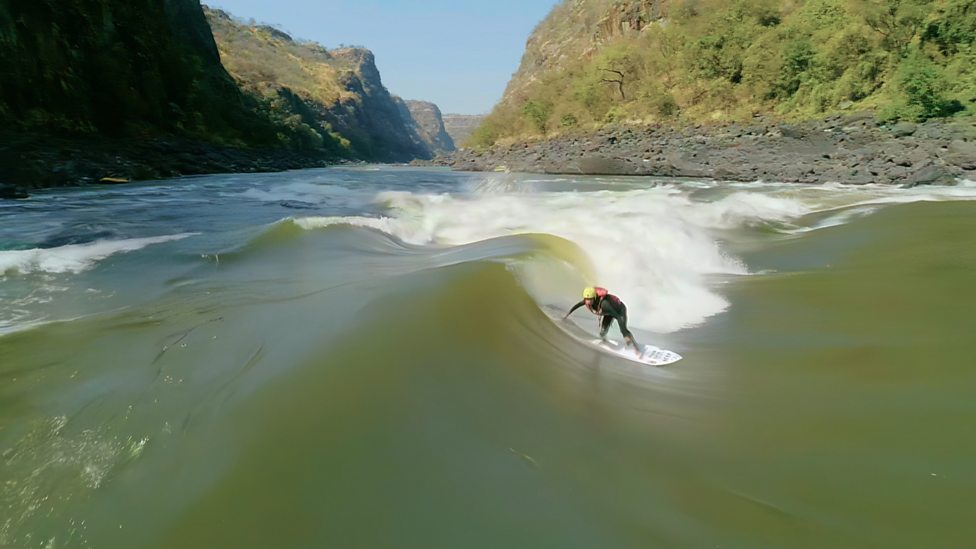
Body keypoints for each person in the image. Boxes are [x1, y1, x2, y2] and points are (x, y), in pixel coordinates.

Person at [564, 286, 642, 356]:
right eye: (586, 299)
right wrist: (567, 314)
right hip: (608, 313)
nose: (588, 302)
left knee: (623, 330)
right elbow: (576, 306)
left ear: (594, 297)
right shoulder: (586, 301)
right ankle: (605, 340)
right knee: (602, 333)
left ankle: (636, 347)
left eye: (590, 299)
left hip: (619, 311)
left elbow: (617, 317)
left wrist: (625, 334)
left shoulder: (605, 304)